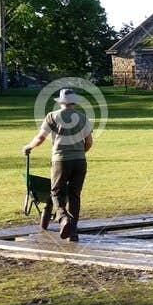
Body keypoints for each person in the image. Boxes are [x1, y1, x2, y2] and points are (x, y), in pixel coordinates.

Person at [22, 88, 93, 241]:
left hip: (60, 160)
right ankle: (73, 233)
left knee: (56, 193)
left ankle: (63, 218)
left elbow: (41, 138)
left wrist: (29, 146)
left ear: (61, 102)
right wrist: (79, 153)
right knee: (74, 195)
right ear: (74, 102)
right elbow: (89, 142)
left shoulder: (52, 116)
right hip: (80, 161)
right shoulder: (82, 118)